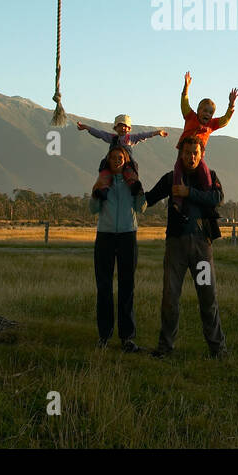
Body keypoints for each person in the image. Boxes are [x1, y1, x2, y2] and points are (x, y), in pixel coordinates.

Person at [145, 136, 228, 359]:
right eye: (187, 152)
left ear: (201, 154)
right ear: (180, 154)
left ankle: (217, 350)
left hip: (201, 246)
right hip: (176, 246)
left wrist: (188, 193)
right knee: (170, 297)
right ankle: (165, 348)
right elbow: (149, 198)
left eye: (195, 152)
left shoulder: (209, 178)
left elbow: (217, 198)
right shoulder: (171, 179)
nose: (191, 156)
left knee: (207, 297)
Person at [88, 145, 146, 352]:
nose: (117, 160)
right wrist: (95, 193)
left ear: (126, 159)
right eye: (113, 157)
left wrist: (139, 192)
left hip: (128, 235)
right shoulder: (103, 182)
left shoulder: (131, 182)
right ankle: (104, 335)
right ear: (108, 160)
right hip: (105, 235)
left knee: (126, 287)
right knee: (104, 287)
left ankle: (127, 337)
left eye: (120, 156)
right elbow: (93, 210)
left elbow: (141, 208)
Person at [173, 71, 238, 208]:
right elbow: (184, 102)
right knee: (178, 170)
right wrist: (186, 87)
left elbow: (225, 120)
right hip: (183, 152)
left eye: (210, 112)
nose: (207, 114)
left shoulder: (211, 124)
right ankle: (177, 202)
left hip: (198, 155)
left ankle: (207, 196)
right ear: (198, 110)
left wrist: (231, 105)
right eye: (204, 111)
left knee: (205, 173)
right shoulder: (190, 116)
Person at [78, 114, 167, 198]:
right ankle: (103, 190)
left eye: (125, 126)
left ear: (129, 129)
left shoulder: (131, 138)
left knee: (130, 172)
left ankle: (134, 188)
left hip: (126, 163)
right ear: (116, 128)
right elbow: (100, 134)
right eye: (120, 126)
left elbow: (144, 135)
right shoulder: (112, 137)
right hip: (111, 162)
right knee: (105, 172)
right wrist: (87, 128)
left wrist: (157, 132)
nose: (123, 128)